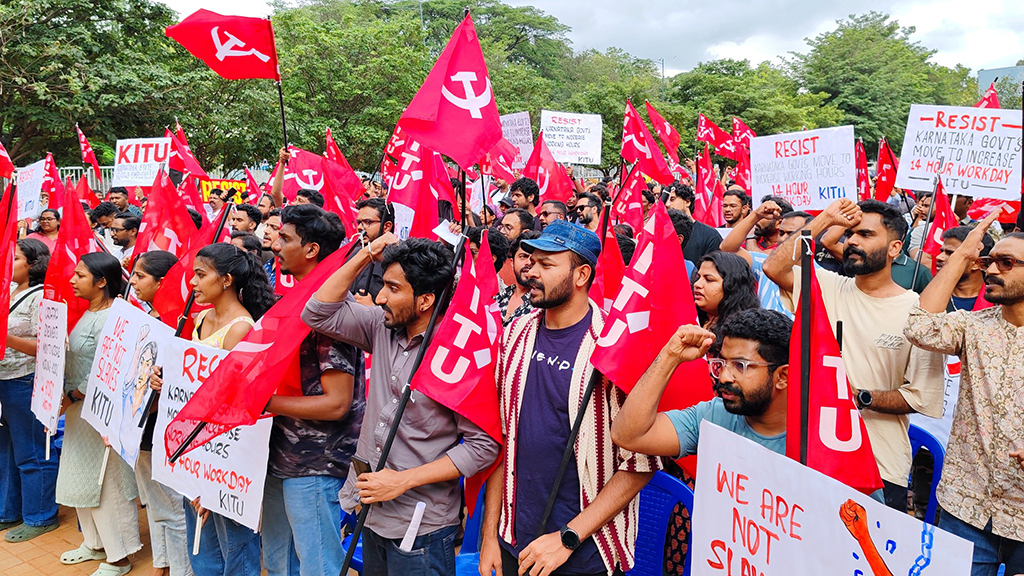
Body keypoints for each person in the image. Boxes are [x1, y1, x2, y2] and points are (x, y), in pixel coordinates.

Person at [303, 236, 500, 575]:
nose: (380, 297)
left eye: (393, 288)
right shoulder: (382, 326)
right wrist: (366, 254)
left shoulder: (457, 352)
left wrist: (403, 480)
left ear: (425, 300)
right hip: (370, 511)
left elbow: (484, 446)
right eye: (382, 284)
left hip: (421, 525)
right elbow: (317, 311)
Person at [480, 220, 660, 576]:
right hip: (513, 542)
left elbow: (639, 464)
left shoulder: (612, 347)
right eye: (531, 260)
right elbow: (502, 439)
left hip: (584, 554)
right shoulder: (515, 332)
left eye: (547, 265)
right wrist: (489, 536)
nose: (531, 270)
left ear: (581, 275)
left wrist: (567, 539)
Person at [763, 198, 944, 510]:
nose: (853, 241)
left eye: (866, 235)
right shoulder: (827, 285)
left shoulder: (918, 311)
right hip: (813, 456)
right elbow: (773, 266)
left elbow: (920, 398)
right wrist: (823, 219)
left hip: (879, 469)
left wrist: (858, 397)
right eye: (850, 234)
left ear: (895, 249)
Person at [903, 213, 1024, 576]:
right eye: (988, 261)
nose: (990, 271)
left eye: (1006, 263)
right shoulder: (974, 326)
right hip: (967, 506)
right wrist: (961, 256)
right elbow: (918, 326)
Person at [263, 204, 365, 576]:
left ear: (311, 250)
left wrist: (266, 401)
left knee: (318, 565)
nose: (275, 245)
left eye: (285, 238)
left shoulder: (331, 314)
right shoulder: (299, 300)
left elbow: (337, 403)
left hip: (315, 463)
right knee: (280, 562)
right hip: (284, 456)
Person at [166, 243, 274, 576]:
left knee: (235, 547)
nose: (193, 283)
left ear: (226, 280)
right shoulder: (200, 317)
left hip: (226, 457)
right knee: (203, 548)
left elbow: (236, 402)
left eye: (200, 275)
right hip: (197, 449)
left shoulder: (241, 328)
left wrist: (213, 476)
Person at [56, 252, 141, 576]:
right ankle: (94, 543)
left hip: (99, 413)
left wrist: (72, 394)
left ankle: (119, 556)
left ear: (102, 281)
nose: (72, 280)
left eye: (80, 275)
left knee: (107, 484)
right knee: (81, 477)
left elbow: (107, 370)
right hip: (78, 411)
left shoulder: (112, 317)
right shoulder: (91, 312)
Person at [613, 308, 792, 459]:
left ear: (783, 376)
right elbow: (628, 435)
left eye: (740, 365)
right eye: (721, 363)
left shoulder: (815, 442)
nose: (723, 378)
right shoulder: (713, 416)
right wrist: (670, 356)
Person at [124, 251, 194, 576]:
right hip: (137, 425)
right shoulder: (145, 317)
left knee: (172, 506)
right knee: (154, 501)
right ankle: (162, 563)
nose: (133, 282)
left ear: (162, 283)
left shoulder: (178, 324)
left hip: (157, 426)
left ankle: (181, 569)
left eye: (140, 276)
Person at [0, 239, 58, 543]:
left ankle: (40, 515)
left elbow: (45, 347)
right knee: (6, 449)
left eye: (17, 258)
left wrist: (5, 337)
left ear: (34, 264)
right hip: (3, 379)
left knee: (32, 450)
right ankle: (8, 511)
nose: (10, 262)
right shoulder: (8, 290)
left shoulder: (40, 298)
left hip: (25, 379)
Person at [719, 203, 812, 317]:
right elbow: (728, 249)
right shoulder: (765, 263)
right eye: (781, 233)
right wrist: (756, 215)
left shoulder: (820, 275)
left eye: (791, 234)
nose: (783, 239)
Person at [692, 251, 760, 334]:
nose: (697, 284)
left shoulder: (744, 333)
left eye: (709, 280)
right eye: (698, 277)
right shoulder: (687, 319)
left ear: (732, 287)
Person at [665, 183, 722, 264]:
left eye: (672, 199)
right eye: (665, 200)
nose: (667, 204)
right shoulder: (659, 233)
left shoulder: (710, 235)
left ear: (687, 202)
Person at [352, 198, 394, 304]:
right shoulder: (353, 253)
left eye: (368, 222)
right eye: (359, 222)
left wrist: (373, 308)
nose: (360, 227)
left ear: (387, 227)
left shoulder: (395, 261)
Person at [495, 230, 539, 326]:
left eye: (534, 259)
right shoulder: (499, 297)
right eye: (523, 256)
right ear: (512, 263)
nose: (528, 262)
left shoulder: (543, 307)